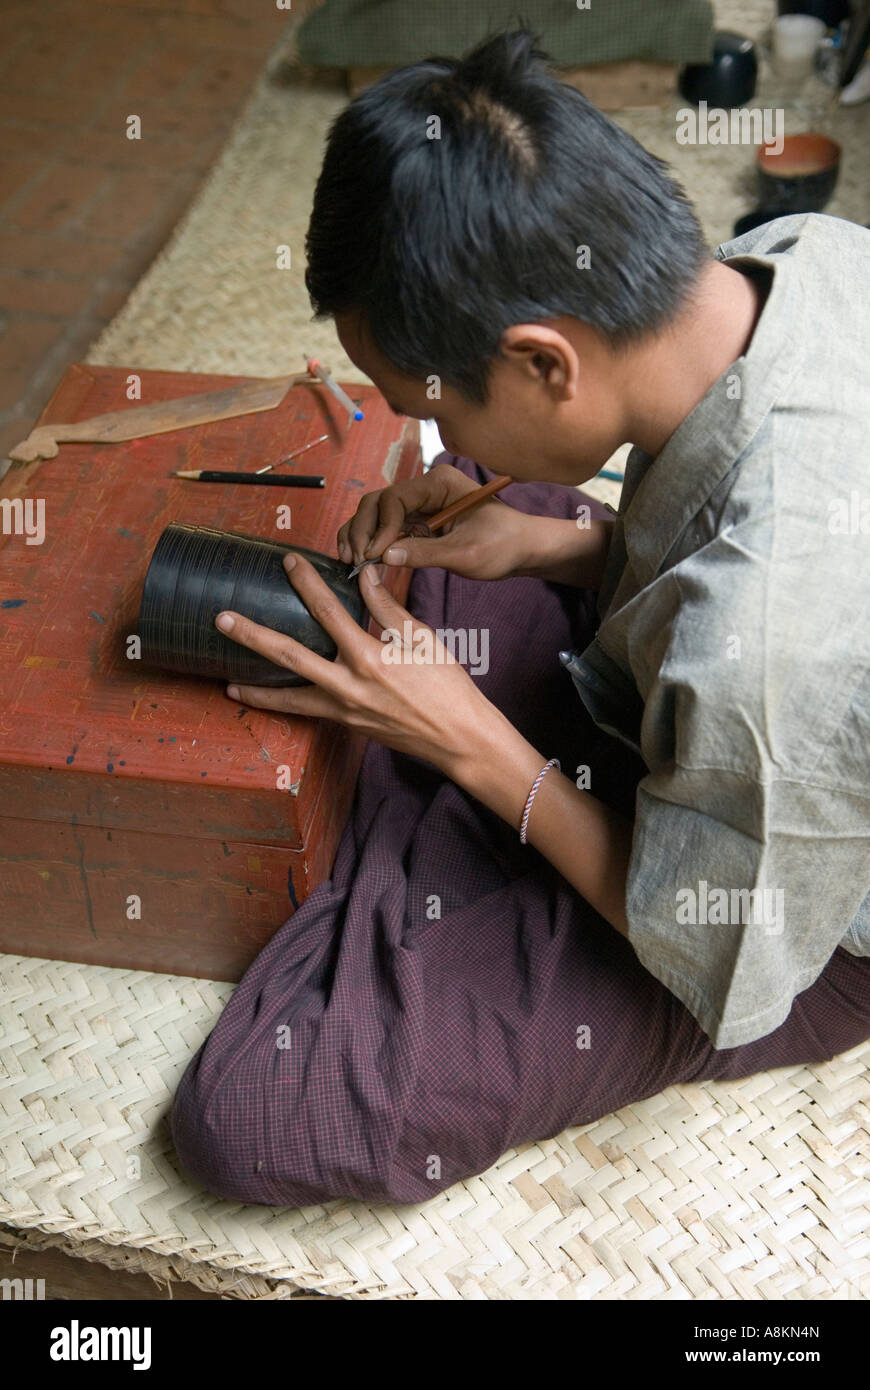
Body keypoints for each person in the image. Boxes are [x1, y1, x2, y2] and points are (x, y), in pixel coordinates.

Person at [170, 28, 870, 1207]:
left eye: (429, 409)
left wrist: (471, 748)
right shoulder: (807, 253)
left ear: (545, 363)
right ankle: (427, 830)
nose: (433, 441)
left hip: (782, 914)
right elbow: (716, 526)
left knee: (259, 1109)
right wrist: (556, 539)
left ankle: (420, 832)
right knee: (477, 542)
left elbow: (719, 953)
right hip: (753, 682)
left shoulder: (776, 631)